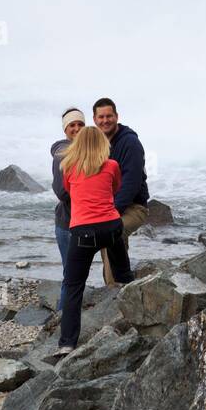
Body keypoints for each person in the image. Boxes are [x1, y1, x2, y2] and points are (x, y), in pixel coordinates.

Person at [56, 126, 134, 355]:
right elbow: (115, 188)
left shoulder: (69, 167)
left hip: (82, 232)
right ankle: (134, 306)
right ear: (102, 144)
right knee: (123, 274)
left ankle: (67, 343)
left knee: (73, 287)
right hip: (110, 228)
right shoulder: (111, 166)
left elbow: (69, 191)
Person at [93, 98, 149, 285]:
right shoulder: (98, 143)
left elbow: (131, 183)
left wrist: (112, 213)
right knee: (106, 241)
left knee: (112, 234)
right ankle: (119, 288)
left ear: (117, 116)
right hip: (109, 206)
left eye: (109, 116)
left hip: (133, 207)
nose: (105, 120)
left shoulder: (130, 143)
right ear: (95, 119)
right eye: (101, 117)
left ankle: (114, 290)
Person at [50, 107, 85, 311]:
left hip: (86, 222)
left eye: (80, 124)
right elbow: (61, 192)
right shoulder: (61, 154)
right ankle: (64, 316)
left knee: (77, 273)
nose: (76, 128)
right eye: (72, 125)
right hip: (66, 223)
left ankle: (71, 312)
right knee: (70, 273)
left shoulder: (91, 149)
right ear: (65, 129)